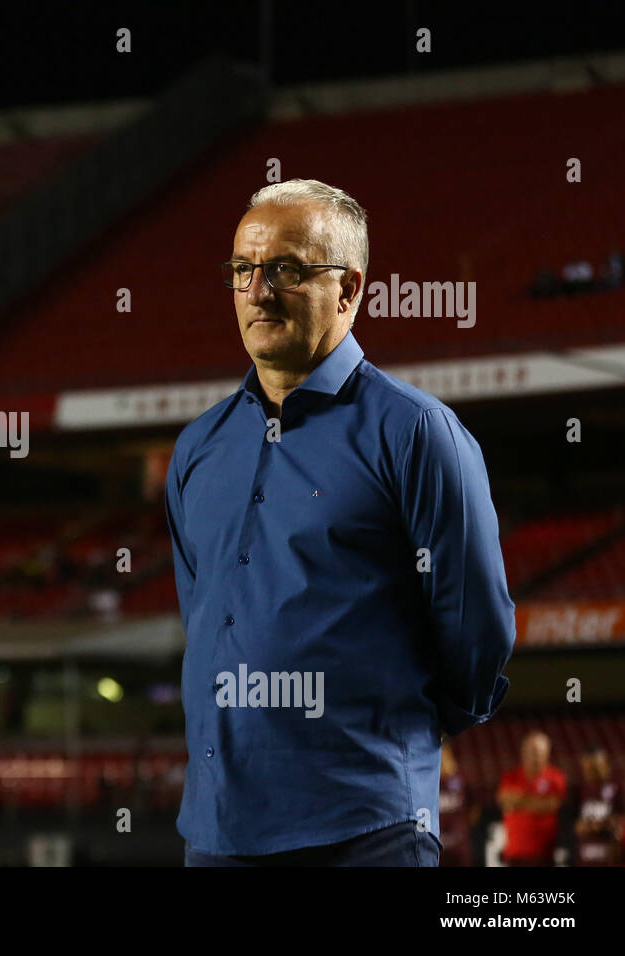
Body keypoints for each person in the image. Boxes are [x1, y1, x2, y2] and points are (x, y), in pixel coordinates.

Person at [168, 179, 515, 866]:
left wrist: (389, 735)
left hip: (365, 834)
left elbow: (478, 637)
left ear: (350, 289)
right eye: (243, 270)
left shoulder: (418, 435)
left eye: (287, 270)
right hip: (216, 836)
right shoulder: (197, 449)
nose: (259, 291)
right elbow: (206, 614)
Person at [496, 732, 565, 866]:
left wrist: (518, 802)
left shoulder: (556, 777)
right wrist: (539, 802)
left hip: (544, 856)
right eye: (532, 752)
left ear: (547, 753)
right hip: (515, 855)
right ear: (523, 752)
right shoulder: (511, 776)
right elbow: (504, 800)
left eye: (539, 752)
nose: (535, 757)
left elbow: (552, 804)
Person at [572, 746, 622, 866]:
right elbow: (573, 825)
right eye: (589, 767)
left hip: (610, 854)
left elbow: (620, 820)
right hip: (585, 856)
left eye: (596, 767)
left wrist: (604, 825)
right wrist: (585, 826)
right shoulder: (578, 790)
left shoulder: (618, 788)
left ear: (605, 765)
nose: (592, 771)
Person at [439, 741, 479, 866]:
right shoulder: (427, 779)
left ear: (449, 753)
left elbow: (475, 807)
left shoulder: (463, 776)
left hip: (459, 847)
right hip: (437, 847)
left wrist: (462, 828)